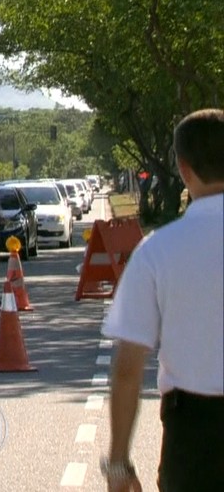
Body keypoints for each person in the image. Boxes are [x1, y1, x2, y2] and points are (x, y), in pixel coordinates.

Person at [101, 108, 224, 492]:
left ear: (183, 169)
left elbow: (127, 367)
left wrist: (119, 464)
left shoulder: (158, 251)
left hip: (196, 436)